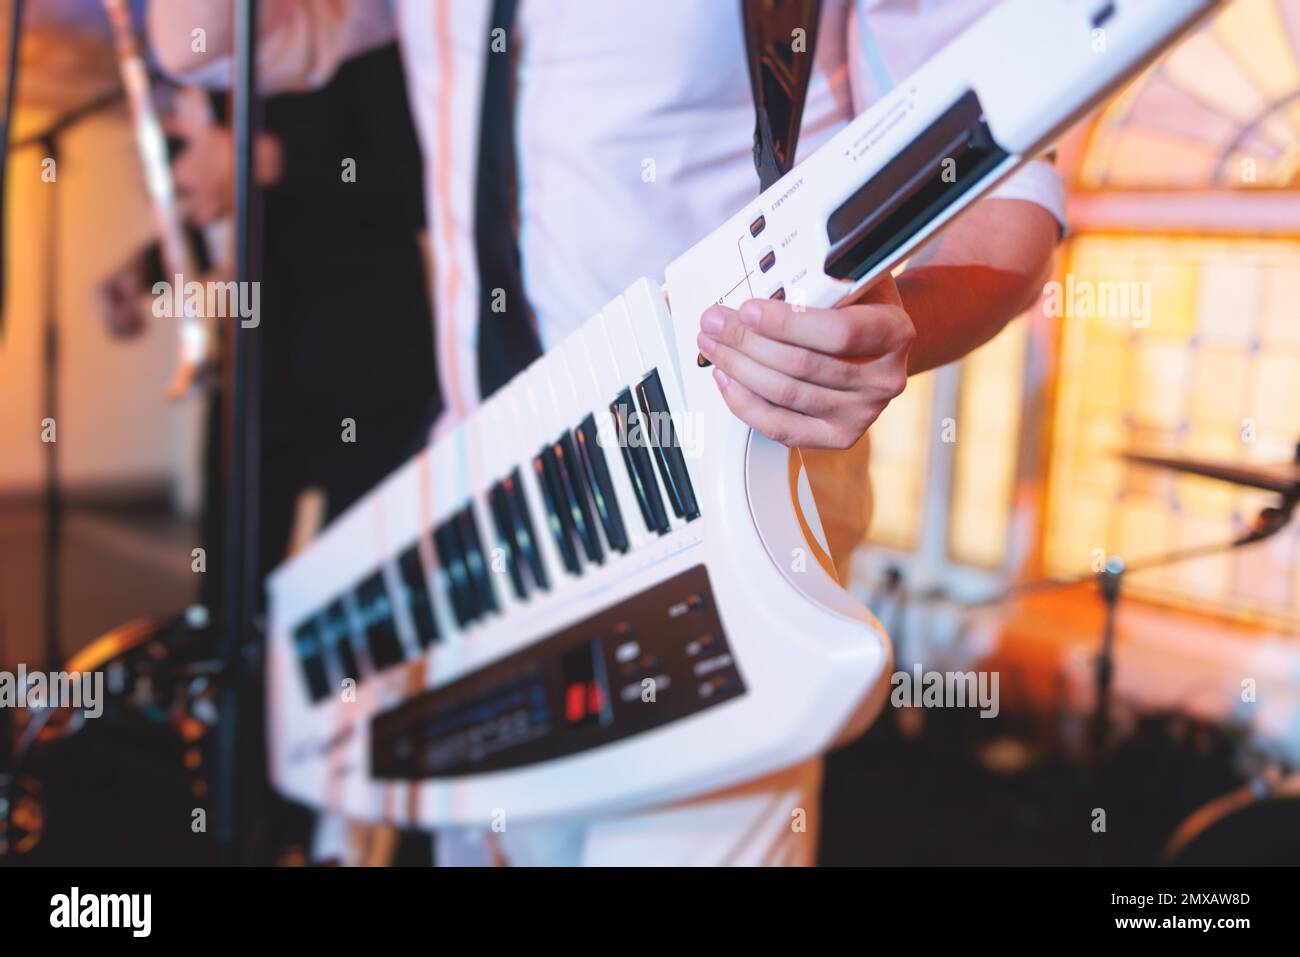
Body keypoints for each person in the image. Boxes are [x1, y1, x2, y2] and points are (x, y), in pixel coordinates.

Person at [148, 0, 1064, 866]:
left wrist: (895, 333)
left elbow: (1003, 184)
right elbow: (204, 42)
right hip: (483, 487)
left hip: (712, 490)